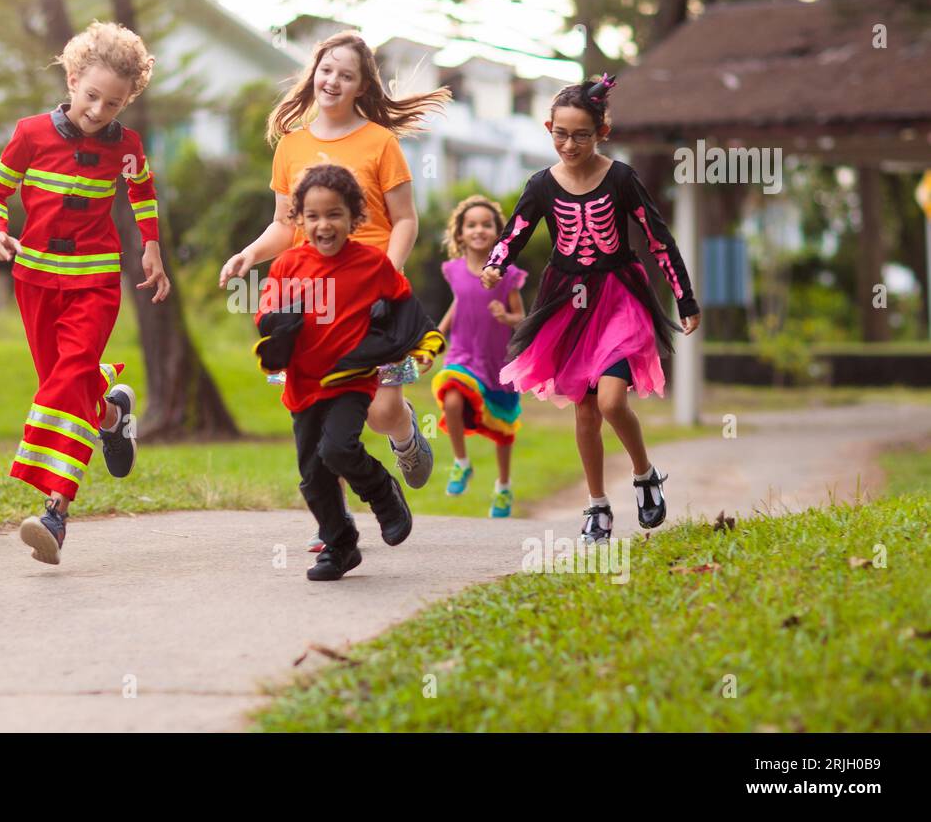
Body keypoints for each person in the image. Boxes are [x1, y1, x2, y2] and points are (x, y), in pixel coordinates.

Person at [220, 30, 451, 549]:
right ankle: (336, 523)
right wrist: (250, 255)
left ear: (360, 85)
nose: (333, 81)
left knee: (381, 409)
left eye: (346, 75)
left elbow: (406, 220)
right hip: (317, 299)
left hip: (371, 290)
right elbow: (284, 225)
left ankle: (405, 435)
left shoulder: (379, 142)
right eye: (327, 70)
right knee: (324, 409)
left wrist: (384, 280)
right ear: (314, 72)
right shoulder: (292, 145)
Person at [0, 21, 171, 566]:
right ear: (72, 78)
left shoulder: (127, 145)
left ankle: (55, 511)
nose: (97, 111)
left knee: (67, 377)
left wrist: (151, 248)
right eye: (91, 97)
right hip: (35, 277)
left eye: (112, 104)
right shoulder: (31, 133)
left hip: (95, 278)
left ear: (126, 101)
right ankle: (110, 415)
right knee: (60, 380)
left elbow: (143, 192)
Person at [482, 74, 701, 542]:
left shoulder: (620, 177)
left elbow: (657, 236)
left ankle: (644, 474)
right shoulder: (541, 184)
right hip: (568, 304)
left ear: (601, 132)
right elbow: (515, 232)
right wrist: (496, 265)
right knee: (584, 414)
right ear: (548, 129)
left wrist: (684, 295)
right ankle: (597, 506)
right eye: (561, 133)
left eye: (581, 134)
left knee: (611, 399)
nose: (569, 143)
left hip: (619, 297)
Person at [254, 164, 444, 581]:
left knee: (338, 450)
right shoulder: (286, 266)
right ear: (298, 220)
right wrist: (274, 327)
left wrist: (425, 341)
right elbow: (266, 312)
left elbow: (404, 307)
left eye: (335, 214)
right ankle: (340, 546)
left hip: (351, 381)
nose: (324, 224)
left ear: (354, 218)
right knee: (313, 478)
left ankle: (383, 493)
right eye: (314, 216)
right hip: (304, 385)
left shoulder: (372, 264)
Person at [432, 195, 527, 517]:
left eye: (487, 225)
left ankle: (503, 487)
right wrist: (436, 337)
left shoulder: (507, 273)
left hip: (497, 360)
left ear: (499, 234)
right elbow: (459, 303)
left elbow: (522, 317)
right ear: (460, 234)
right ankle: (461, 463)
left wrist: (507, 316)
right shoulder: (453, 270)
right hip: (462, 353)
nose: (479, 230)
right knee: (452, 398)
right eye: (471, 225)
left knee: (503, 429)